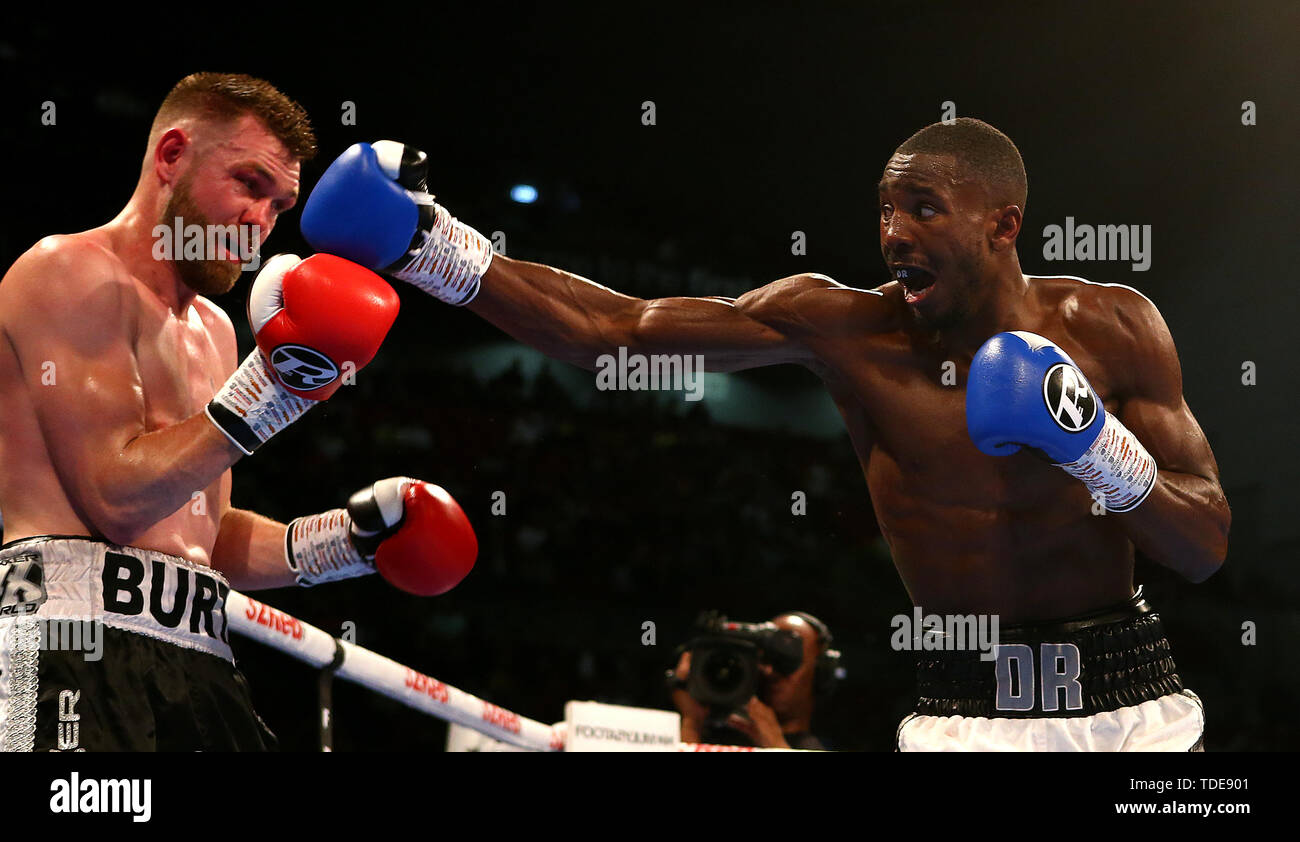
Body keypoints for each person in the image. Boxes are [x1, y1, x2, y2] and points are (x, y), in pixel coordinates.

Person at [301, 118, 1229, 751]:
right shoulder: (844, 330)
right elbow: (614, 332)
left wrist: (1092, 443)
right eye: (885, 210)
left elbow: (1204, 543)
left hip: (1128, 709)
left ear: (1004, 224)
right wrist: (428, 243)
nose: (894, 234)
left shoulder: (1111, 328)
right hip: (964, 713)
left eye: (924, 210)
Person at [0, 73, 476, 752]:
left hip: (196, 657)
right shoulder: (67, 272)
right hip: (65, 644)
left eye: (280, 204)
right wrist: (274, 393)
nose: (261, 221)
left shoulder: (218, 332)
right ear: (171, 157)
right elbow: (113, 499)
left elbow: (201, 533)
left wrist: (345, 542)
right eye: (248, 184)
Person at [670, 612, 839, 749]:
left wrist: (775, 746)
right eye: (765, 659)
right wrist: (692, 720)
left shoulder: (811, 749)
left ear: (820, 674)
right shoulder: (717, 738)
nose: (770, 671)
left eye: (787, 662)